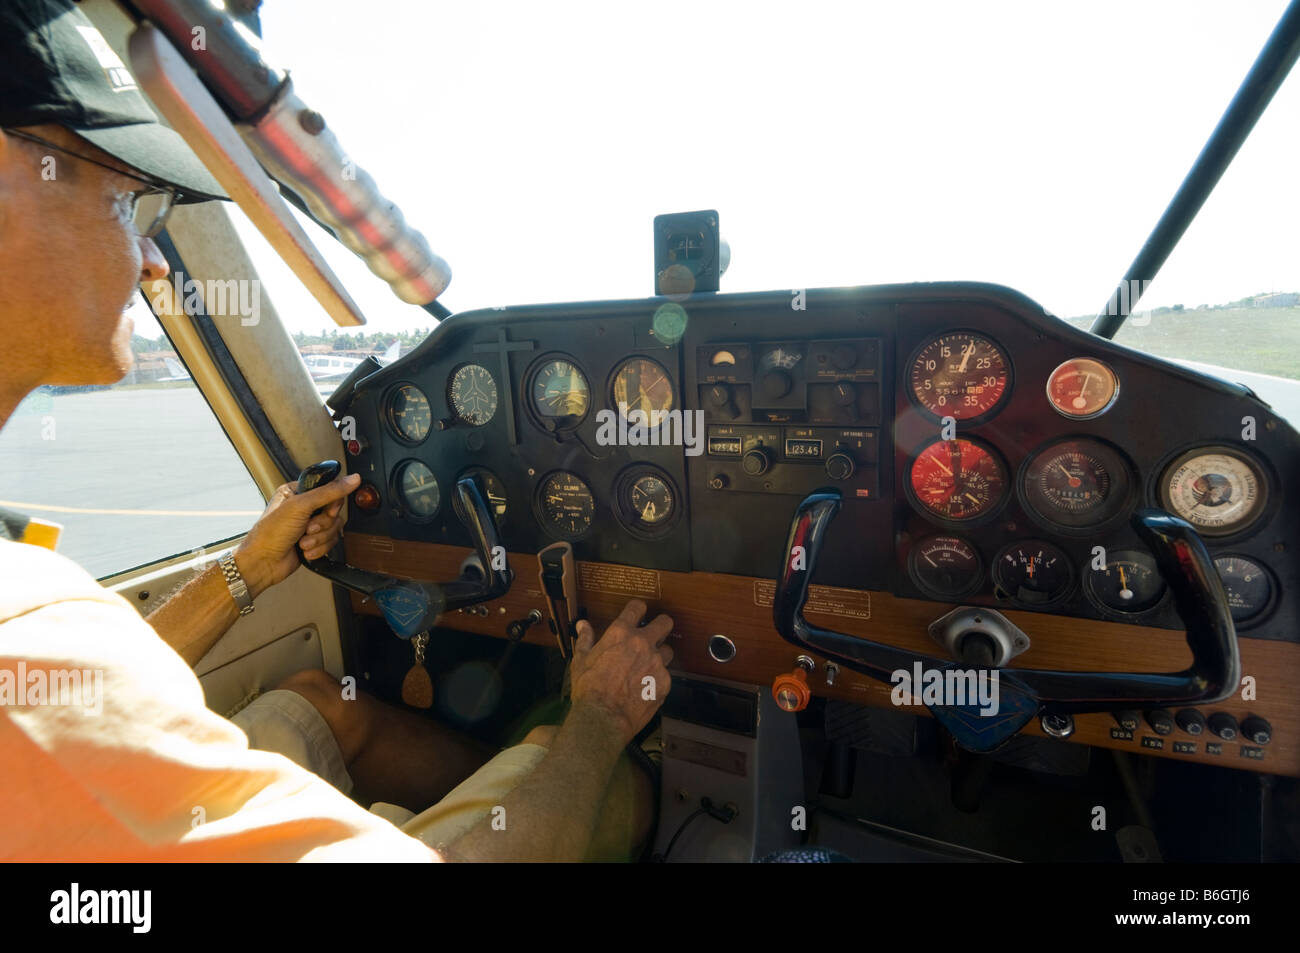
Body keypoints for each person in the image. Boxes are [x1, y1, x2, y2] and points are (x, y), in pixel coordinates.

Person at [0, 0, 672, 861]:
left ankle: (513, 773)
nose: (157, 261)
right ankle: (554, 771)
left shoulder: (43, 643)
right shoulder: (34, 651)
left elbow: (81, 692)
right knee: (605, 772)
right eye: (128, 202)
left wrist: (244, 572)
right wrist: (601, 719)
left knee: (322, 698)